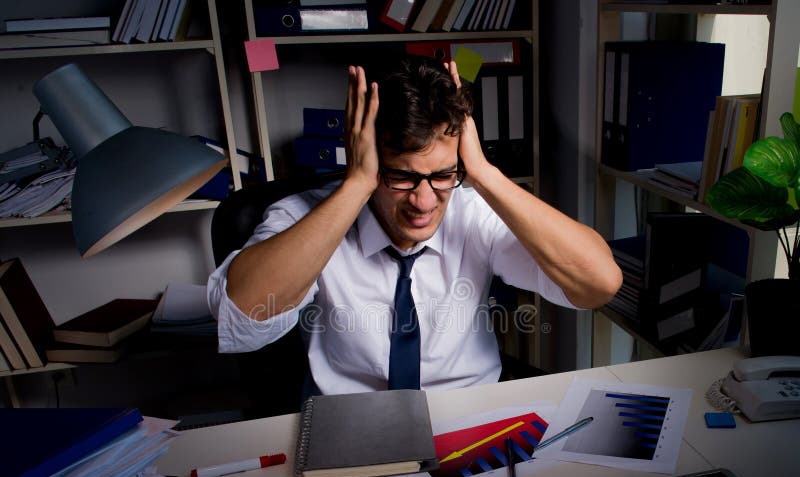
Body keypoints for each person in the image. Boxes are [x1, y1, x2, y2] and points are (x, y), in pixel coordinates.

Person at [207, 56, 621, 396]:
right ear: (365, 155)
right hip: (351, 427)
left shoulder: (473, 208)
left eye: (442, 175)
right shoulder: (302, 216)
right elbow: (242, 317)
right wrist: (356, 184)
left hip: (468, 413)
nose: (424, 202)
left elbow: (599, 283)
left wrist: (483, 174)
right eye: (401, 177)